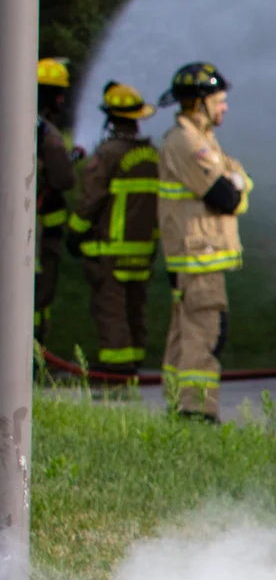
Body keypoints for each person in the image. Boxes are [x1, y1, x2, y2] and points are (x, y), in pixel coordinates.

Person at [156, 61, 252, 422]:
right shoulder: (187, 142)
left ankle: (180, 405)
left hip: (198, 257)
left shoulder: (202, 138)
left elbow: (239, 178)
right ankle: (196, 411)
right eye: (219, 99)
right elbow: (226, 195)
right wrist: (236, 185)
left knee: (188, 333)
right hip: (199, 257)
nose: (224, 107)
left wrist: (237, 182)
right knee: (205, 333)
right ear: (200, 102)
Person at [70, 82, 161, 375]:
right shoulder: (152, 155)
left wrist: (75, 232)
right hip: (143, 248)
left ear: (110, 118)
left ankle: (115, 368)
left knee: (111, 308)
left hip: (110, 248)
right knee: (136, 306)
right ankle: (134, 358)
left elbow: (90, 200)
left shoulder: (107, 154)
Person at [35, 57, 77, 342]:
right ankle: (34, 353)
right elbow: (63, 180)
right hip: (42, 230)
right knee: (39, 289)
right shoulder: (48, 135)